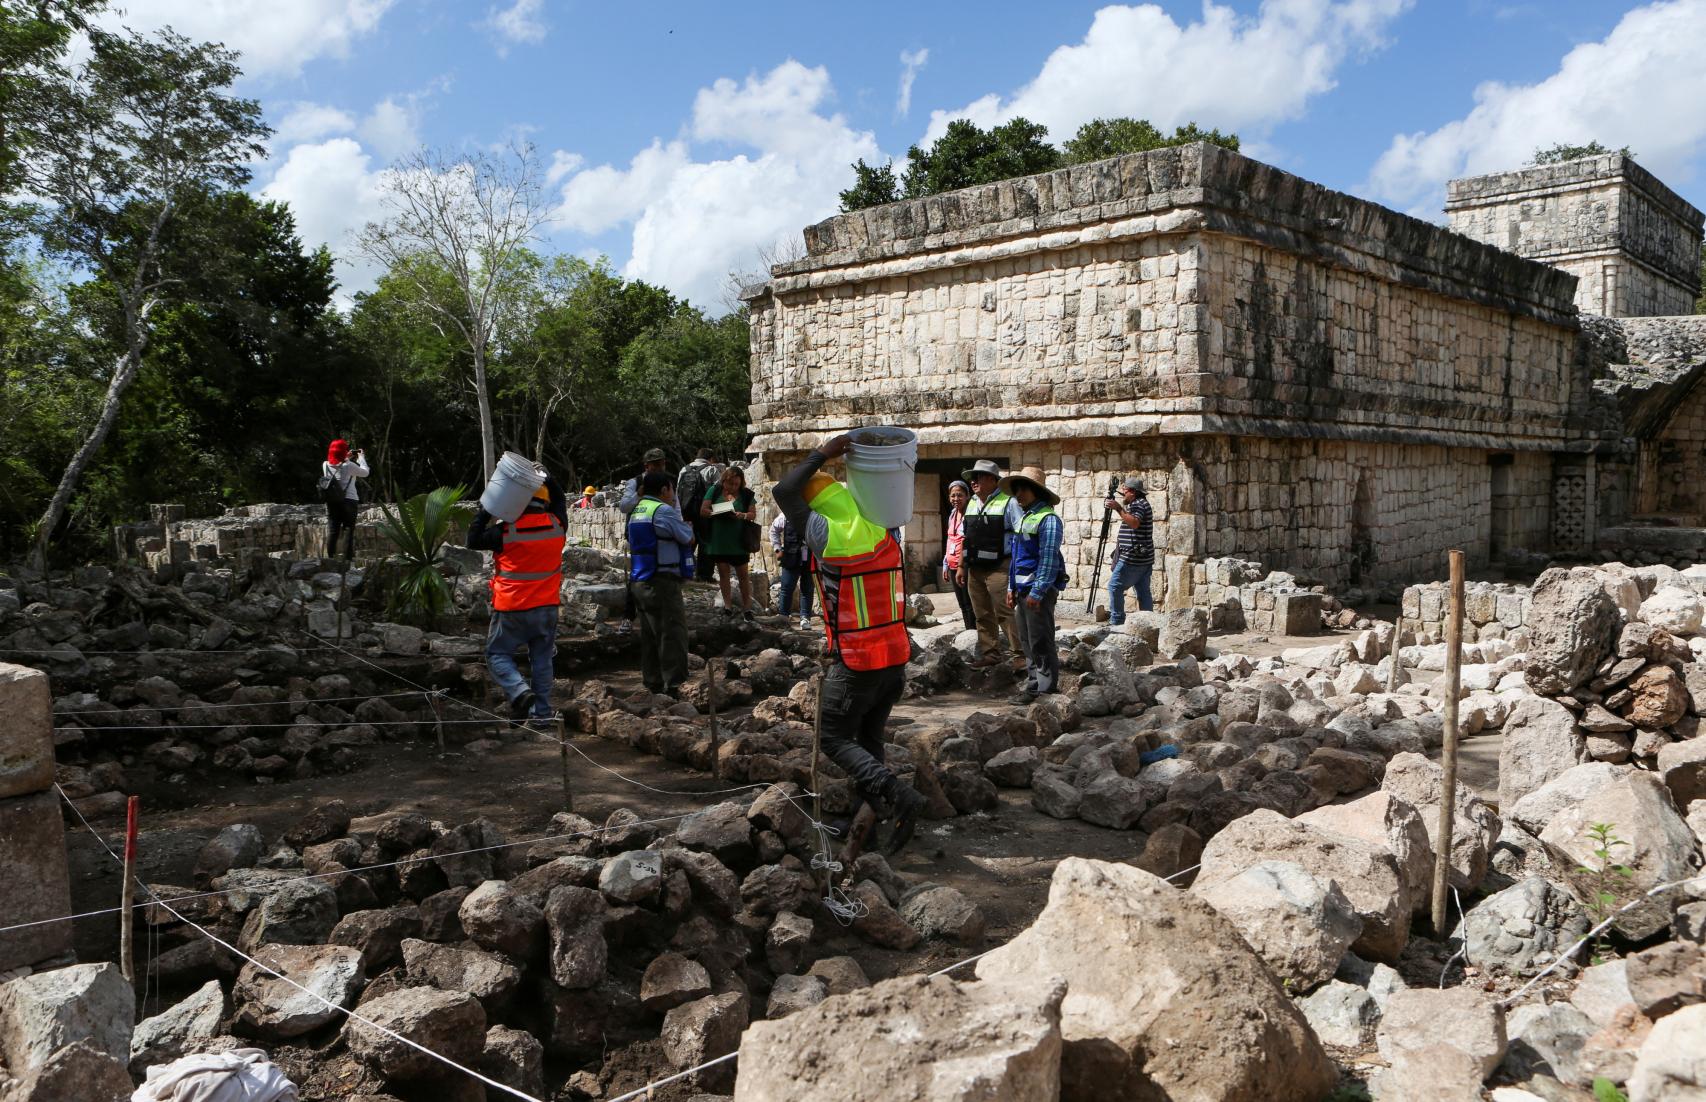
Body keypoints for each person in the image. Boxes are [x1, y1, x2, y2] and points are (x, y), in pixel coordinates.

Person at [773, 434, 927, 856]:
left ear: (815, 507)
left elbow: (783, 489)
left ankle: (898, 795)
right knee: (869, 741)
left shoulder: (825, 533)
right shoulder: (883, 528)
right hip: (895, 655)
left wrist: (825, 452)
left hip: (859, 661)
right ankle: (868, 826)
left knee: (835, 739)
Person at [467, 475, 567, 725]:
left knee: (497, 655)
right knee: (542, 660)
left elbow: (472, 539)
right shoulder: (558, 526)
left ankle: (519, 691)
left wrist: (487, 507)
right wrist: (549, 478)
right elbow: (561, 500)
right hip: (547, 608)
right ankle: (542, 716)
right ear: (544, 503)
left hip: (512, 607)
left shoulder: (504, 531)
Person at [627, 470, 696, 695]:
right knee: (672, 634)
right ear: (665, 489)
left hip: (640, 579)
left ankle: (652, 683)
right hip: (662, 581)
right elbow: (687, 536)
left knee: (650, 635)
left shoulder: (637, 510)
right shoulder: (663, 511)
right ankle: (676, 685)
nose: (673, 495)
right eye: (672, 489)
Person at [1002, 466, 1067, 704]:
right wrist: (1011, 588)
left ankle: (1046, 689)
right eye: (1017, 490)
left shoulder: (1048, 520)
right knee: (1027, 641)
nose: (1018, 494)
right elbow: (1016, 558)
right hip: (1022, 589)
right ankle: (1033, 686)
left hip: (1037, 591)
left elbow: (1048, 560)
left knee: (1040, 639)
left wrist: (1038, 591)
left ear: (1036, 492)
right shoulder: (1025, 518)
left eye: (1023, 489)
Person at [959, 459, 1020, 668]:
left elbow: (1021, 534)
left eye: (979, 477)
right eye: (972, 478)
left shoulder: (1008, 502)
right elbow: (964, 537)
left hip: (1000, 565)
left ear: (993, 480)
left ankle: (1021, 654)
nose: (974, 482)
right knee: (982, 612)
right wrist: (960, 566)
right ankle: (990, 653)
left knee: (1005, 611)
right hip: (974, 567)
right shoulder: (972, 503)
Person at [700, 465, 758, 621]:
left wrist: (743, 515)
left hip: (739, 542)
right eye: (730, 483)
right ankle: (727, 606)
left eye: (736, 484)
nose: (733, 487)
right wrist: (715, 512)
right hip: (719, 540)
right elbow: (703, 510)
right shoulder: (715, 490)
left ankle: (747, 609)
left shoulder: (746, 495)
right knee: (723, 573)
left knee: (743, 575)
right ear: (724, 480)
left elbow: (753, 514)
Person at [1105, 477, 1155, 624]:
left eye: (1125, 491)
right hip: (1143, 558)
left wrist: (1118, 508)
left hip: (1132, 558)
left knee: (1114, 586)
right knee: (1143, 591)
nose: (1123, 494)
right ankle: (1148, 623)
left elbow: (1134, 523)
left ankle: (1117, 621)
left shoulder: (1138, 505)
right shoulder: (1140, 503)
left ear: (1133, 492)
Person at [320, 439, 369, 559]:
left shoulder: (325, 464)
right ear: (343, 451)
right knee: (348, 531)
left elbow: (337, 464)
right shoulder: (349, 466)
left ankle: (330, 559)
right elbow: (365, 472)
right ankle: (348, 561)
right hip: (349, 501)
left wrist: (346, 457)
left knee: (333, 531)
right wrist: (361, 457)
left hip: (332, 502)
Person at [941, 480, 976, 630]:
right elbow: (950, 540)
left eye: (960, 495)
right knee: (962, 603)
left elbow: (967, 541)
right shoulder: (952, 515)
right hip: (953, 563)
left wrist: (962, 566)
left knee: (969, 602)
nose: (956, 499)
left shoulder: (970, 514)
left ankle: (974, 633)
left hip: (966, 564)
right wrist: (945, 563)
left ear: (967, 496)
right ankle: (968, 632)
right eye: (953, 496)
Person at [770, 511, 815, 629]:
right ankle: (783, 617)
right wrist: (777, 549)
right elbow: (773, 530)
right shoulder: (785, 515)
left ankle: (805, 618)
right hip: (790, 556)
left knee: (808, 588)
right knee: (787, 587)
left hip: (809, 557)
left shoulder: (814, 514)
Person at [676, 448, 720, 550]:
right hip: (705, 515)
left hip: (686, 514)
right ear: (711, 458)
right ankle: (703, 566)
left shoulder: (684, 469)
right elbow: (718, 492)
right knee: (705, 549)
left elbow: (678, 492)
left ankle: (688, 565)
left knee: (688, 548)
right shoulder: (711, 470)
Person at [618, 448, 670, 516]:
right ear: (646, 466)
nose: (660, 468)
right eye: (656, 464)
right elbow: (623, 508)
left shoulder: (668, 483)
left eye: (663, 464)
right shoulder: (635, 482)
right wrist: (638, 495)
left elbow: (676, 507)